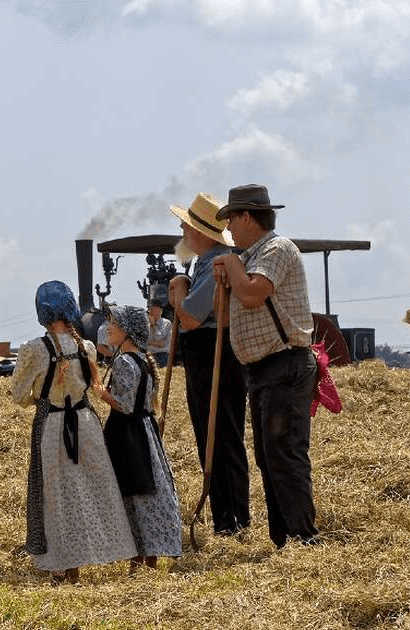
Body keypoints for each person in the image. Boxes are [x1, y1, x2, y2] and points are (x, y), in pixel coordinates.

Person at [212, 184, 319, 549]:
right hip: (261, 369)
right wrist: (224, 279)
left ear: (246, 216)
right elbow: (229, 310)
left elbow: (254, 293)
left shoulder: (277, 248)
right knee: (268, 456)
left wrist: (230, 265)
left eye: (231, 219)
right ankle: (284, 540)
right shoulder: (248, 257)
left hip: (285, 364)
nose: (228, 228)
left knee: (284, 453)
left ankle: (301, 537)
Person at [10, 281, 135, 583]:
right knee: (92, 489)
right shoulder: (87, 346)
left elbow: (18, 394)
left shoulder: (33, 349)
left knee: (55, 493)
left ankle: (61, 564)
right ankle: (93, 553)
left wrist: (37, 399)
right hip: (85, 423)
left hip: (52, 425)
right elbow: (90, 385)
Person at [166, 192, 251, 537]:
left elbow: (189, 316)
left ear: (200, 232)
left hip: (214, 355)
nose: (183, 232)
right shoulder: (206, 263)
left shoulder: (217, 263)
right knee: (214, 435)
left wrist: (177, 293)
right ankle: (228, 517)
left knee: (218, 435)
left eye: (186, 226)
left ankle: (230, 520)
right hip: (208, 353)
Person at [98, 305, 182, 572]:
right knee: (145, 492)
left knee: (131, 492)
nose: (109, 328)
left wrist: (98, 390)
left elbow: (123, 404)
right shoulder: (144, 360)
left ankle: (137, 562)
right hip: (144, 431)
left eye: (115, 324)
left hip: (127, 435)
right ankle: (149, 561)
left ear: (128, 332)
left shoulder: (123, 361)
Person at [145, 300, 172, 367]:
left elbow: (162, 343)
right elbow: (144, 341)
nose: (150, 312)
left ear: (160, 311)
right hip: (149, 356)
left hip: (161, 356)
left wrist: (153, 326)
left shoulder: (166, 323)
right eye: (149, 309)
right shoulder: (146, 324)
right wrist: (156, 343)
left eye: (152, 309)